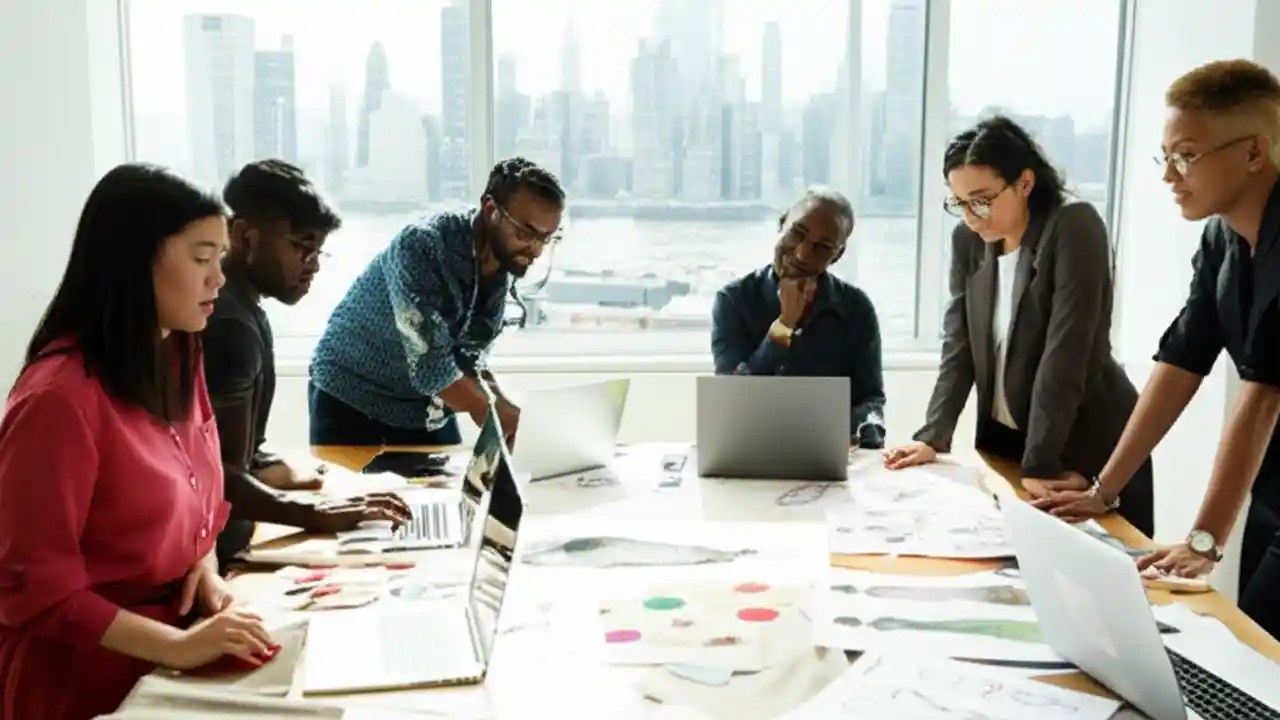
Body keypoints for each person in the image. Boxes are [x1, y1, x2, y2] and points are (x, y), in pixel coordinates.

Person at [0, 164, 274, 720]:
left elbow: (198, 491)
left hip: (172, 649)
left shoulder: (177, 352)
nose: (218, 279)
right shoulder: (58, 400)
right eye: (201, 258)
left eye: (219, 258)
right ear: (134, 262)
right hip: (83, 675)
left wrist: (203, 567)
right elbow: (35, 588)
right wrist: (178, 646)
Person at [1035, 60, 1280, 638]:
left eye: (1187, 155)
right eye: (1165, 156)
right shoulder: (1221, 238)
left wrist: (1204, 540)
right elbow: (1181, 363)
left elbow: (1263, 397)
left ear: (1253, 153)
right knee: (1257, 648)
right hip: (1273, 485)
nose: (1170, 174)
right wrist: (1104, 489)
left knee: (1260, 654)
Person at [881, 116, 1156, 536]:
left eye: (982, 199)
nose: (972, 216)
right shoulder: (969, 242)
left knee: (1106, 581)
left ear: (1024, 182)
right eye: (959, 202)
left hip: (1087, 449)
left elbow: (1066, 353)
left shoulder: (1074, 226)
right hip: (1016, 451)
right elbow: (960, 345)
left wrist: (1041, 463)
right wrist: (933, 437)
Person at [205, 160, 411, 568]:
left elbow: (238, 455)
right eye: (302, 246)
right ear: (245, 237)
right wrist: (315, 513)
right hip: (222, 554)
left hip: (240, 534)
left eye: (318, 250)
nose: (313, 264)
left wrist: (318, 484)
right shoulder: (229, 325)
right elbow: (216, 474)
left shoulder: (243, 310)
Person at [310, 157, 564, 447]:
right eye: (526, 233)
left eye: (547, 238)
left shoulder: (500, 263)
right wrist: (492, 410)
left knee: (452, 491)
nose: (536, 250)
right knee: (361, 494)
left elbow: (468, 357)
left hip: (423, 409)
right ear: (491, 209)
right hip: (352, 400)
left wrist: (510, 409)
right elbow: (432, 364)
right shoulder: (422, 245)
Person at [711, 186, 886, 448]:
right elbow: (734, 397)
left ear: (837, 255)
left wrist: (868, 429)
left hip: (828, 453)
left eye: (822, 247)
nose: (803, 253)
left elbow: (869, 398)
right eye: (797, 233)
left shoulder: (856, 308)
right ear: (782, 224)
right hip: (749, 447)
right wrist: (784, 326)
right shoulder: (734, 300)